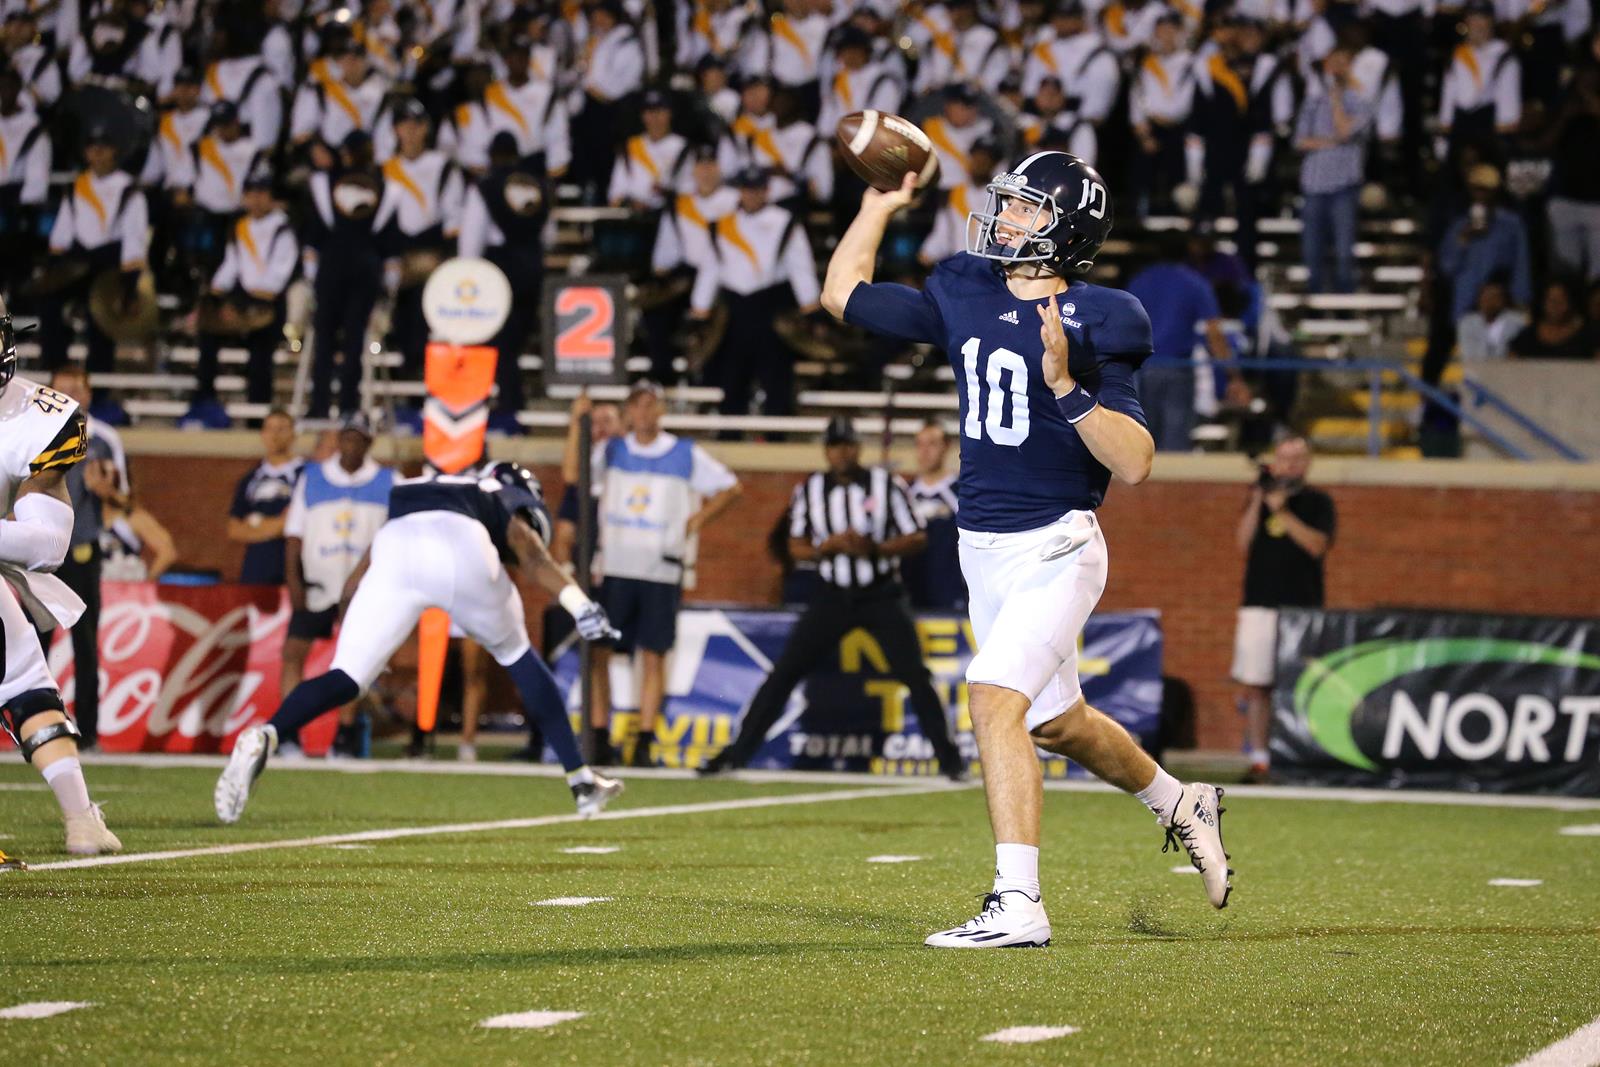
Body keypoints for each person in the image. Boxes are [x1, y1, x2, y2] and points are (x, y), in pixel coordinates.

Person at [821, 152, 1230, 949]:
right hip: (984, 549)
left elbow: (1137, 461)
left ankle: (1019, 902)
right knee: (1058, 723)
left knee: (990, 697)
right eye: (1005, 205)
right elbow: (843, 293)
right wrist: (877, 204)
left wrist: (1067, 387)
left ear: (1065, 228)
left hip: (1058, 543)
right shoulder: (965, 285)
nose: (1004, 219)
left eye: (1024, 209)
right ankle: (1182, 802)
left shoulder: (1103, 316)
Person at [214, 463, 626, 823]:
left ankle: (268, 733)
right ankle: (580, 780)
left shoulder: (423, 487)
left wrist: (365, 629)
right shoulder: (494, 491)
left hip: (395, 547)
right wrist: (581, 604)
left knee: (347, 676)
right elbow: (533, 556)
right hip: (460, 544)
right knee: (518, 656)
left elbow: (355, 581)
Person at [699, 416, 966, 779]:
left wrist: (874, 549)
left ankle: (950, 761)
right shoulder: (809, 490)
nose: (841, 453)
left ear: (856, 448)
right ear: (827, 451)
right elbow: (794, 547)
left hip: (881, 594)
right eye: (834, 446)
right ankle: (737, 753)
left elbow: (917, 536)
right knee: (784, 674)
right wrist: (828, 548)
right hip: (832, 595)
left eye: (847, 445)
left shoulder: (884, 484)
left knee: (915, 676)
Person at [0, 296, 121, 857]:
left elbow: (47, 546)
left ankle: (82, 822)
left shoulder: (37, 418)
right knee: (25, 681)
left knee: (26, 680)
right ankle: (81, 818)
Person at [591, 381, 741, 768]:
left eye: (650, 405)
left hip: (660, 567)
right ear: (628, 412)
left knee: (653, 654)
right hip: (617, 565)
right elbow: (576, 475)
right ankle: (598, 735)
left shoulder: (683, 452)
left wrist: (694, 522)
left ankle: (643, 740)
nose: (643, 412)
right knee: (600, 651)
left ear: (660, 410)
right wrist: (579, 422)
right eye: (636, 405)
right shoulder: (612, 450)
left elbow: (730, 488)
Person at [280, 412, 394, 757]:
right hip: (318, 581)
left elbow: (394, 535)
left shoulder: (389, 480)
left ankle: (344, 733)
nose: (351, 444)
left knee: (353, 662)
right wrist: (293, 581)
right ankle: (287, 732)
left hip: (362, 587)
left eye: (359, 438)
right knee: (293, 654)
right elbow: (294, 535)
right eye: (347, 437)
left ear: (369, 442)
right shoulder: (312, 477)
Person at [1232, 436, 1335, 780]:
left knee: (1299, 684)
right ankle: (1260, 758)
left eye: (1296, 459)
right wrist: (1259, 500)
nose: (1289, 466)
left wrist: (1282, 511)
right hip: (1259, 604)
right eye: (1283, 459)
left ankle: (1298, 756)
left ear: (1307, 463)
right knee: (1257, 684)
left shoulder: (1318, 502)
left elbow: (1317, 546)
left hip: (1300, 608)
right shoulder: (1261, 498)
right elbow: (1242, 542)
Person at [688, 167, 821, 424]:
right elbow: (710, 269)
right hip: (734, 312)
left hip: (772, 309)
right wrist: (699, 311)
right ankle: (730, 433)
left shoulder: (784, 221)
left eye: (757, 189)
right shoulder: (722, 224)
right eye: (747, 189)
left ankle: (776, 437)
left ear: (766, 190)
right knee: (733, 378)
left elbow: (800, 266)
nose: (751, 195)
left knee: (776, 379)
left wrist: (811, 309)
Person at [43, 366, 128, 751]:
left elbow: (126, 500)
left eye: (78, 389)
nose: (72, 395)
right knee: (33, 643)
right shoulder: (35, 430)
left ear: (90, 394)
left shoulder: (104, 439)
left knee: (86, 644)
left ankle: (89, 733)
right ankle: (32, 727)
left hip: (81, 550)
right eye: (64, 389)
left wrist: (105, 490)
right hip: (39, 552)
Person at [38, 123, 150, 376]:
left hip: (110, 266)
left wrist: (129, 283)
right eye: (92, 148)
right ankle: (56, 370)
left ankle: (98, 382)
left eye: (103, 148)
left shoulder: (130, 190)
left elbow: (134, 238)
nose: (97, 153)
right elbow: (62, 233)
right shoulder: (77, 186)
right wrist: (54, 268)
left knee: (100, 311)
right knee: (49, 302)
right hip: (77, 263)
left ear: (114, 151)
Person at [189, 165, 298, 425]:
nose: (257, 198)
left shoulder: (283, 229)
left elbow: (276, 279)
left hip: (267, 306)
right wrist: (214, 295)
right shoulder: (240, 227)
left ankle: (256, 414)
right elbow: (231, 266)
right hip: (241, 303)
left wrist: (239, 301)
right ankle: (205, 400)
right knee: (208, 329)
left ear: (271, 196)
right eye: (252, 192)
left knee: (261, 356)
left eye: (262, 192)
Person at [1126, 234, 1234, 452]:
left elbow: (1123, 323)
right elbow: (1214, 333)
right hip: (1177, 369)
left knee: (1142, 439)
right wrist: (1233, 375)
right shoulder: (1194, 282)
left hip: (1142, 368)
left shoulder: (1139, 280)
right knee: (1174, 441)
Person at [1295, 47, 1373, 295]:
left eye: (1343, 63)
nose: (1337, 69)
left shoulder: (1360, 102)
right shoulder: (1313, 101)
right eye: (1333, 63)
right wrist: (1331, 143)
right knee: (1311, 250)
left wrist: (1338, 99)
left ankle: (1344, 308)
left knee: (1343, 250)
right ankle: (1316, 305)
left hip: (1344, 186)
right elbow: (1299, 141)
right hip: (1313, 185)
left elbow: (1343, 131)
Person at [1438, 164, 1534, 325]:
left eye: (1486, 189)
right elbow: (1447, 267)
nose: (1481, 194)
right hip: (1466, 303)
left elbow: (1521, 263)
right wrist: (1463, 239)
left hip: (1502, 304)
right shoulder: (1459, 225)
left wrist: (1521, 300)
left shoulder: (1511, 224)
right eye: (1477, 189)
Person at [228, 410, 304, 586]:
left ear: (293, 434)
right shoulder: (250, 478)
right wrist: (278, 525)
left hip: (292, 570)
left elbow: (295, 524)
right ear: (262, 434)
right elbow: (234, 529)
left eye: (281, 429)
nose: (275, 435)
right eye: (270, 429)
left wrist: (256, 524)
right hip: (255, 570)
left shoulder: (305, 474)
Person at [899, 420, 965, 611]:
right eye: (920, 444)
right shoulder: (904, 493)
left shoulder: (962, 491)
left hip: (953, 593)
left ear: (946, 447)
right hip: (912, 593)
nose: (925, 451)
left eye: (932, 444)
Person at [1509, 279, 1599, 359]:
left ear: (1571, 303)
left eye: (1561, 301)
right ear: (1543, 303)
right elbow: (1510, 367)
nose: (1555, 306)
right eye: (1551, 301)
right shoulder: (1526, 336)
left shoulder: (1588, 336)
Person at [1456, 277, 1528, 361]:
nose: (1490, 301)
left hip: (1507, 371)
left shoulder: (1517, 321)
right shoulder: (1467, 322)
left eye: (1495, 297)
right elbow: (1469, 355)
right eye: (1486, 296)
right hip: (1474, 371)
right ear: (1479, 299)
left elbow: (1515, 355)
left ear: (1504, 299)